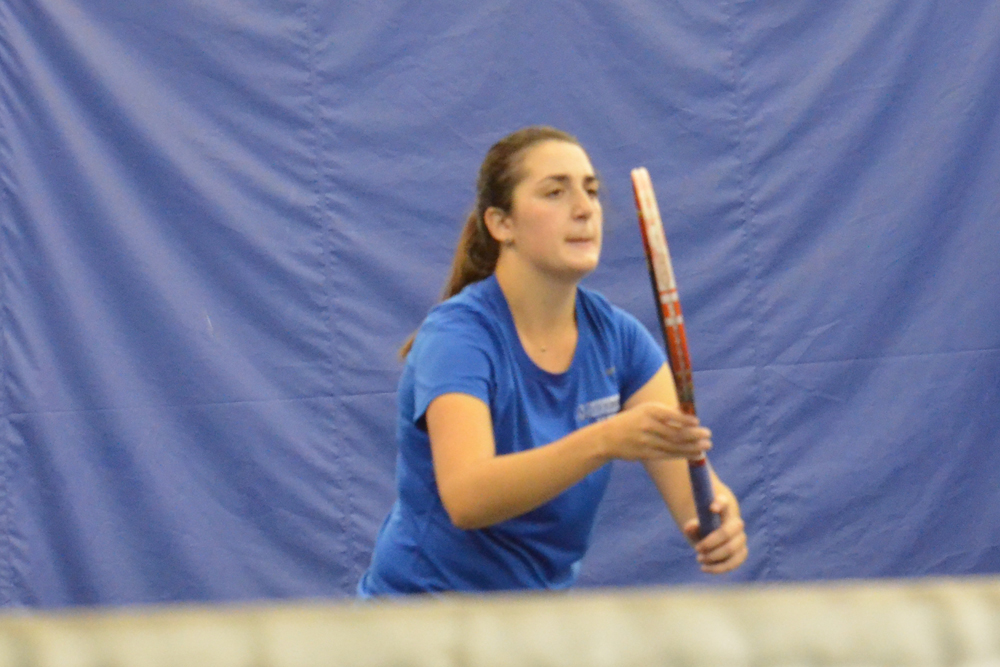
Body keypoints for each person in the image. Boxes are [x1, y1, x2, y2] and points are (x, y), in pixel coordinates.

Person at [357, 126, 747, 596]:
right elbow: (467, 497)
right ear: (502, 224)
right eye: (555, 192)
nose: (584, 209)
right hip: (424, 622)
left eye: (592, 191)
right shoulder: (458, 337)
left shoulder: (619, 339)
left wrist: (718, 517)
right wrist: (602, 440)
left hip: (534, 626)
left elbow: (692, 493)